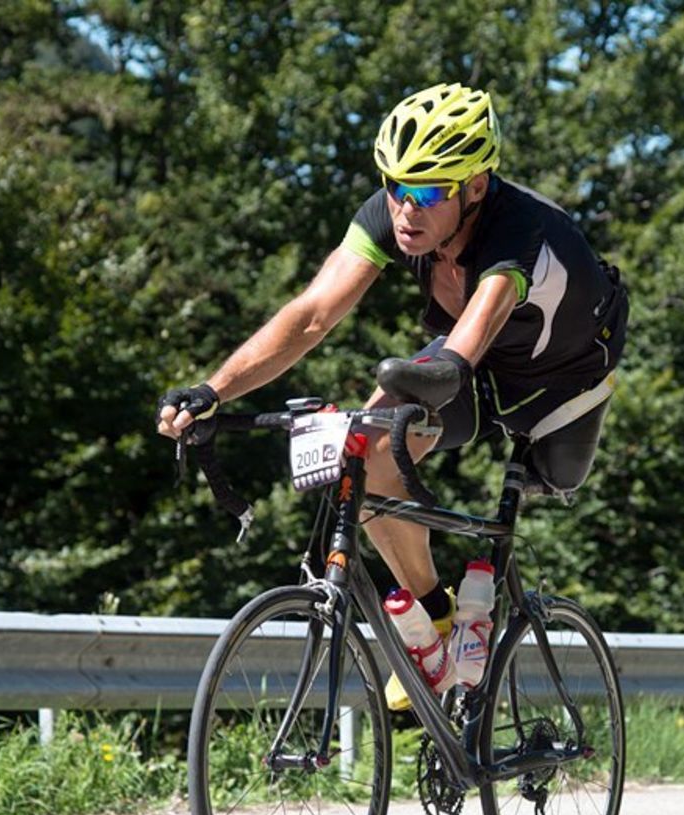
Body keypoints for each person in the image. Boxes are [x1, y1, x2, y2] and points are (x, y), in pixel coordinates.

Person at [156, 81, 628, 710]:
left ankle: (498, 644)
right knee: (365, 449)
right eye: (395, 186)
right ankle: (434, 622)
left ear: (476, 187)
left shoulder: (520, 230)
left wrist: (413, 381)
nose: (407, 209)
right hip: (475, 362)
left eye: (429, 192)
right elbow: (312, 315)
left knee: (525, 462)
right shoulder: (395, 217)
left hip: (563, 382)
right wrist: (213, 389)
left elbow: (470, 336)